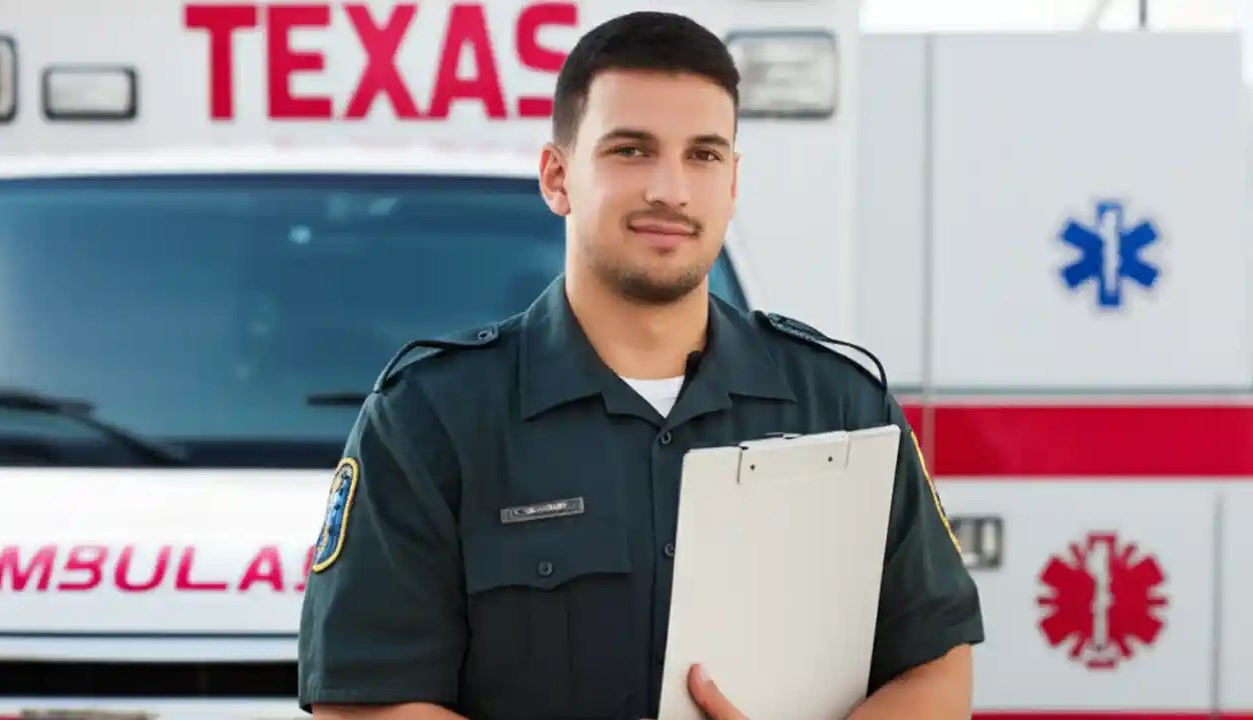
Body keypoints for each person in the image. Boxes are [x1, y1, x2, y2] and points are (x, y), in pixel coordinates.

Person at [297, 9, 984, 720]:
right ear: (557, 177)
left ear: (733, 182)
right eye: (631, 151)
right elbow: (367, 704)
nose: (671, 190)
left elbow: (935, 671)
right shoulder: (430, 419)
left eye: (704, 155)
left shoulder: (842, 407)